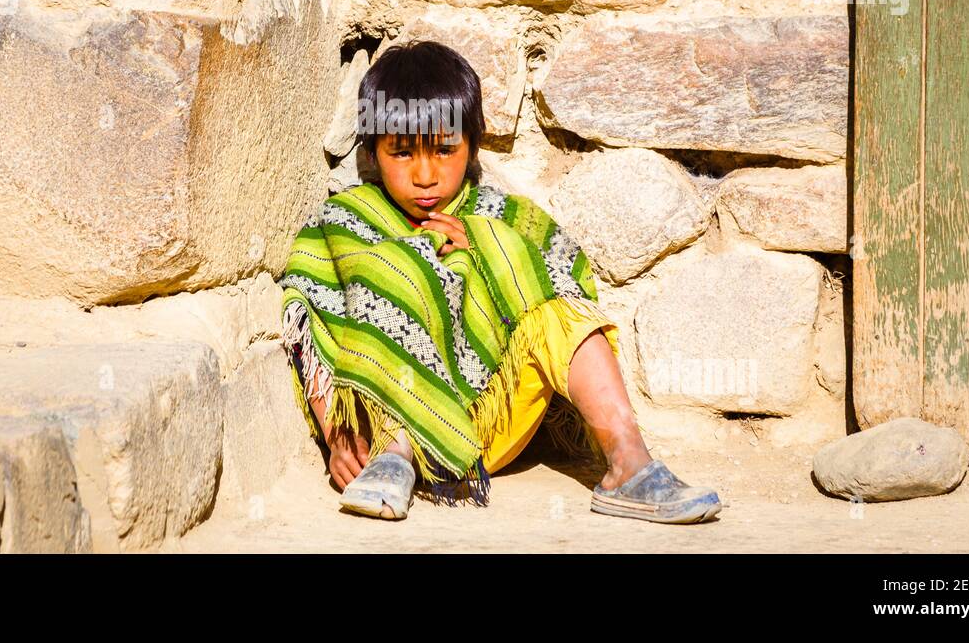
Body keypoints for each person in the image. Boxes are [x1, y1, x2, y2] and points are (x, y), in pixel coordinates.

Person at [279, 39, 722, 523]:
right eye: (402, 152)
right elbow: (309, 317)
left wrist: (483, 250)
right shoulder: (345, 221)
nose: (426, 175)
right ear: (371, 152)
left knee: (554, 302)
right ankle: (395, 458)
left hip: (488, 425)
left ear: (473, 146)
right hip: (385, 440)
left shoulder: (498, 215)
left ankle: (629, 464)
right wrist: (337, 436)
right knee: (398, 265)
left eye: (445, 150)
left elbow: (566, 277)